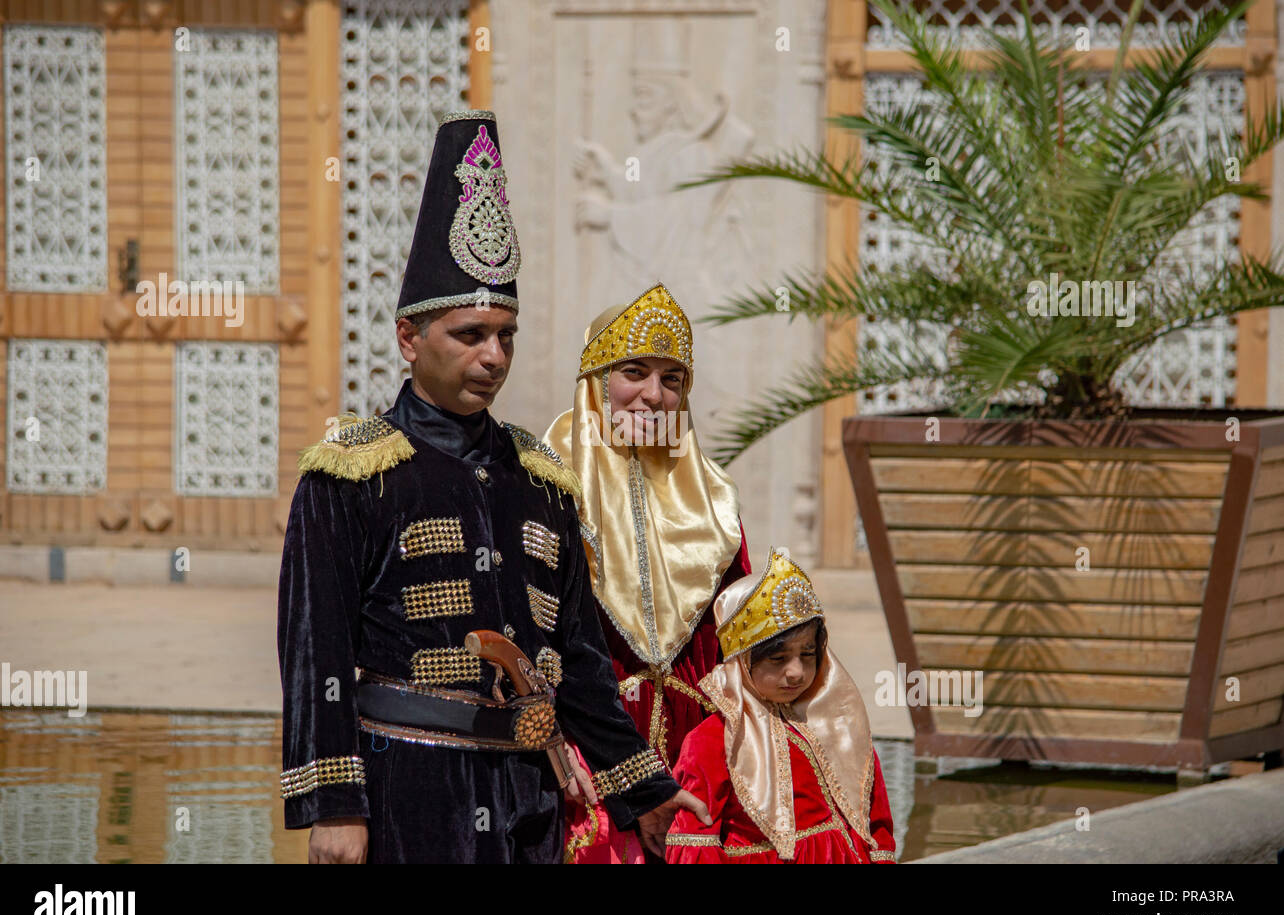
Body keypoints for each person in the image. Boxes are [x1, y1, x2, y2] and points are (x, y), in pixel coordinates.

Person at [276, 110, 707, 864]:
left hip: (525, 793)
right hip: (407, 787)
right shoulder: (351, 475)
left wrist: (640, 786)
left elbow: (574, 656)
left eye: (506, 334)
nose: (493, 356)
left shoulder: (539, 478)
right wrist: (334, 806)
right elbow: (317, 657)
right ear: (410, 339)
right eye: (469, 335)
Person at [543, 283, 750, 863]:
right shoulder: (544, 484)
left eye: (673, 380)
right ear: (595, 380)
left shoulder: (715, 501)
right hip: (587, 753)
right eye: (634, 372)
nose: (653, 397)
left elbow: (739, 647)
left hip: (697, 757)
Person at [664, 548, 897, 864]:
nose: (796, 672)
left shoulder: (838, 723)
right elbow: (694, 841)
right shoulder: (713, 740)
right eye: (778, 658)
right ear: (743, 662)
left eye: (808, 654)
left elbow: (875, 817)